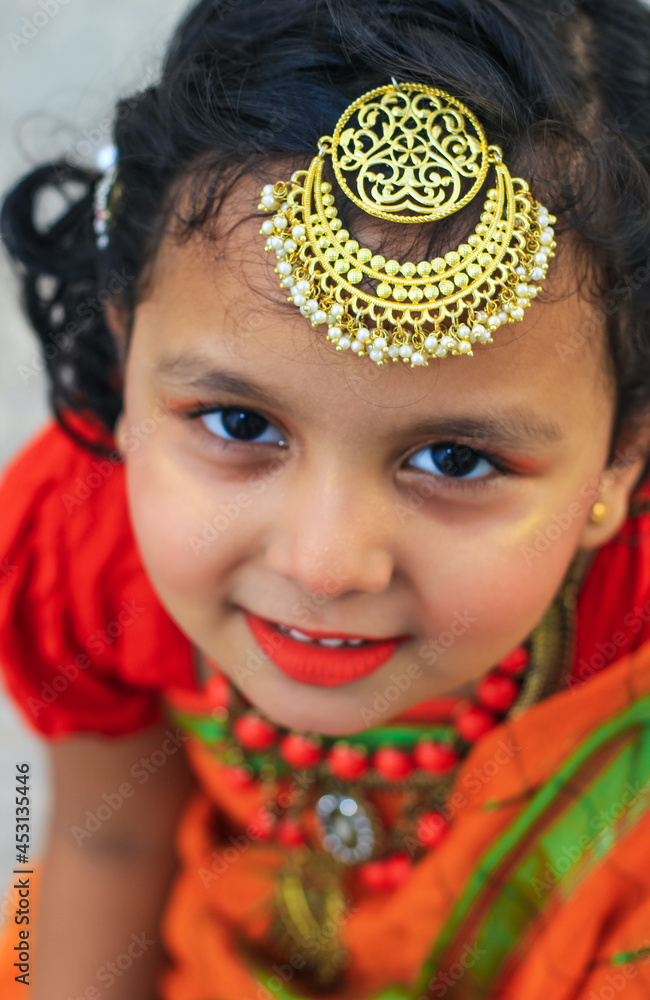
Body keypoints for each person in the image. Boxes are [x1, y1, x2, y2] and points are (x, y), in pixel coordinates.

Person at [1, 0, 650, 997]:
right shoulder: (88, 544)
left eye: (452, 458)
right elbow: (111, 847)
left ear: (619, 457)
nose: (322, 563)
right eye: (239, 425)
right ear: (126, 358)